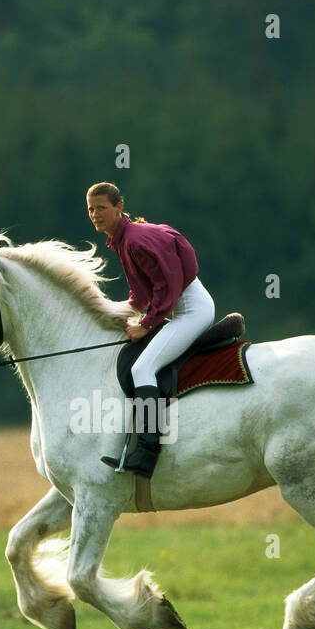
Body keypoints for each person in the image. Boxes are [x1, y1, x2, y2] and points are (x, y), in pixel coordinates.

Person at [87, 182, 216, 479]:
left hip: (192, 312)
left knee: (142, 369)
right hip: (180, 310)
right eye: (91, 209)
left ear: (119, 207)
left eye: (101, 208)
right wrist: (110, 313)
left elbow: (167, 290)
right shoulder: (124, 240)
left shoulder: (135, 241)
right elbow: (142, 296)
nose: (95, 214)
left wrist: (145, 326)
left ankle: (147, 451)